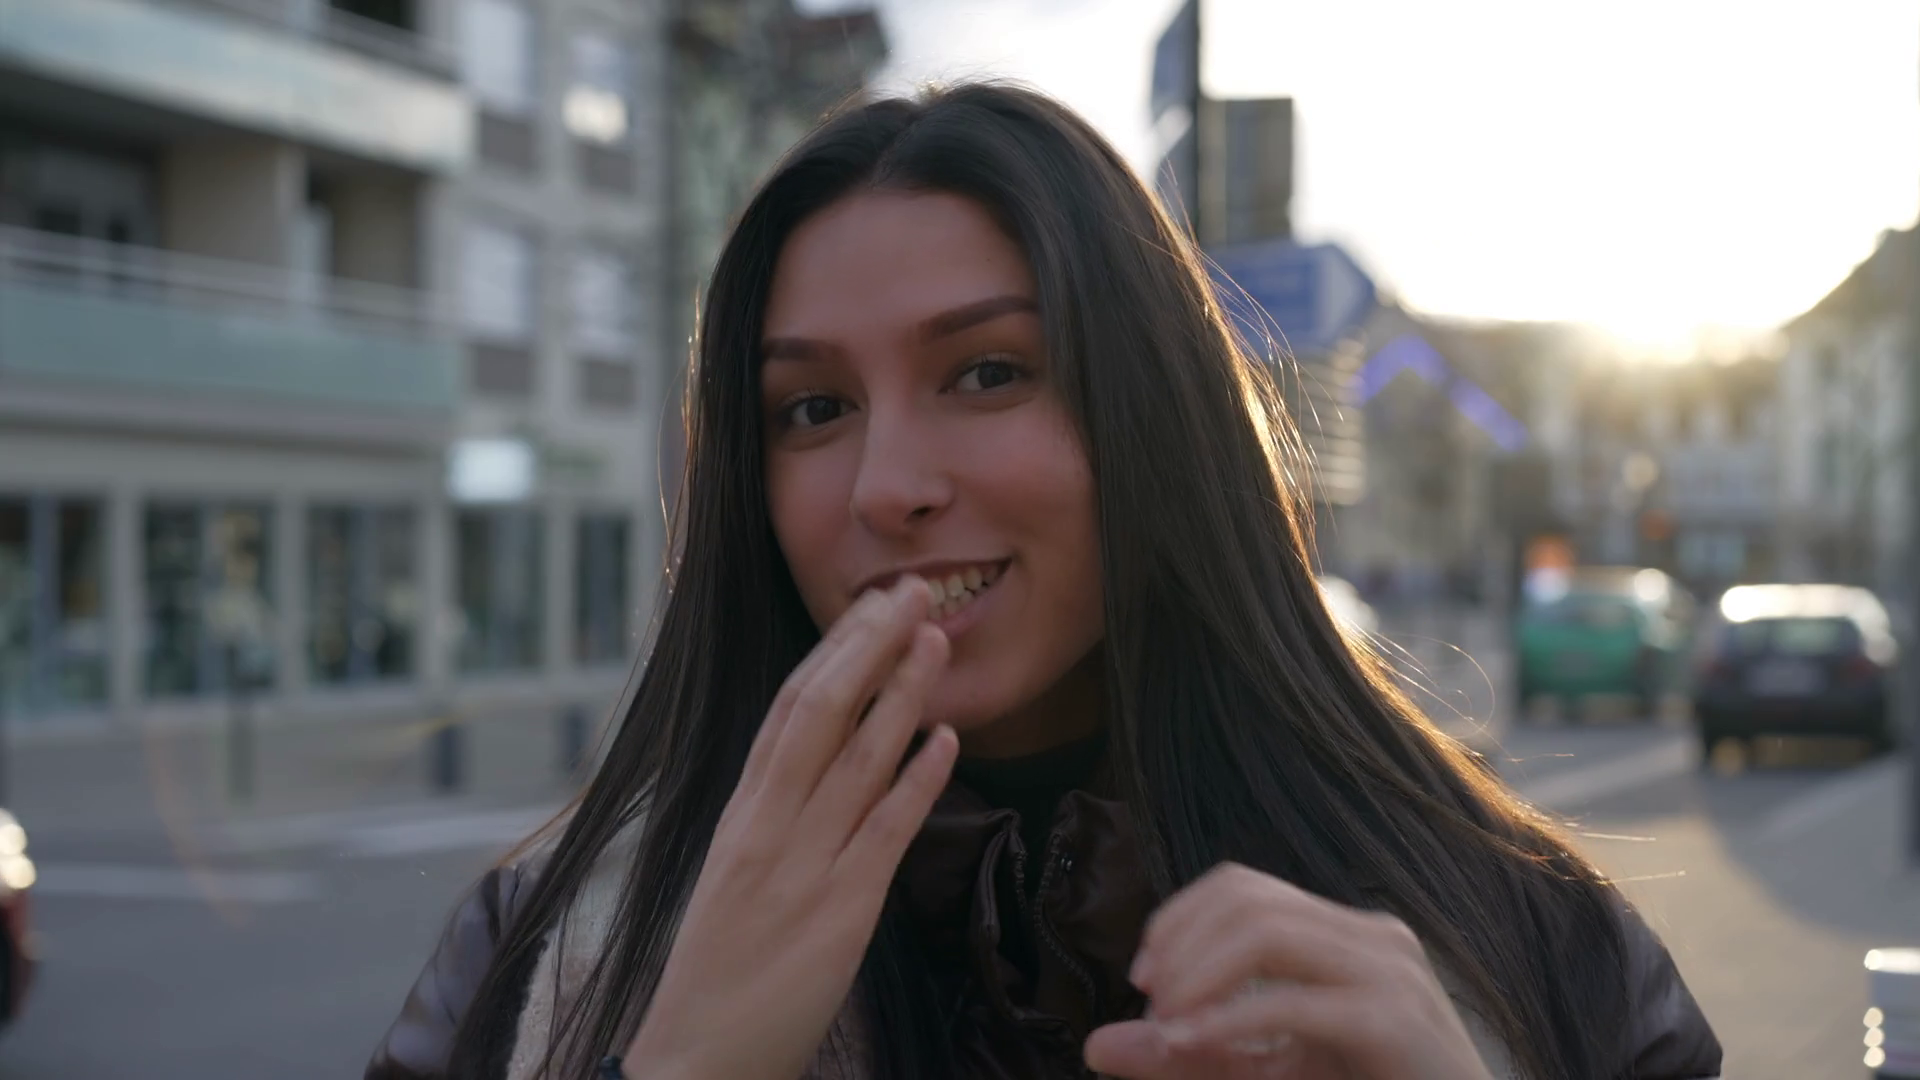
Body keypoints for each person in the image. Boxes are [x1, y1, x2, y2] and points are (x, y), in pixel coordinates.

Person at [366, 83, 1722, 1080]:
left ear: (1152, 419)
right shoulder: (538, 940)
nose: (885, 484)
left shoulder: (1530, 929)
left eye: (988, 372)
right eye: (811, 409)